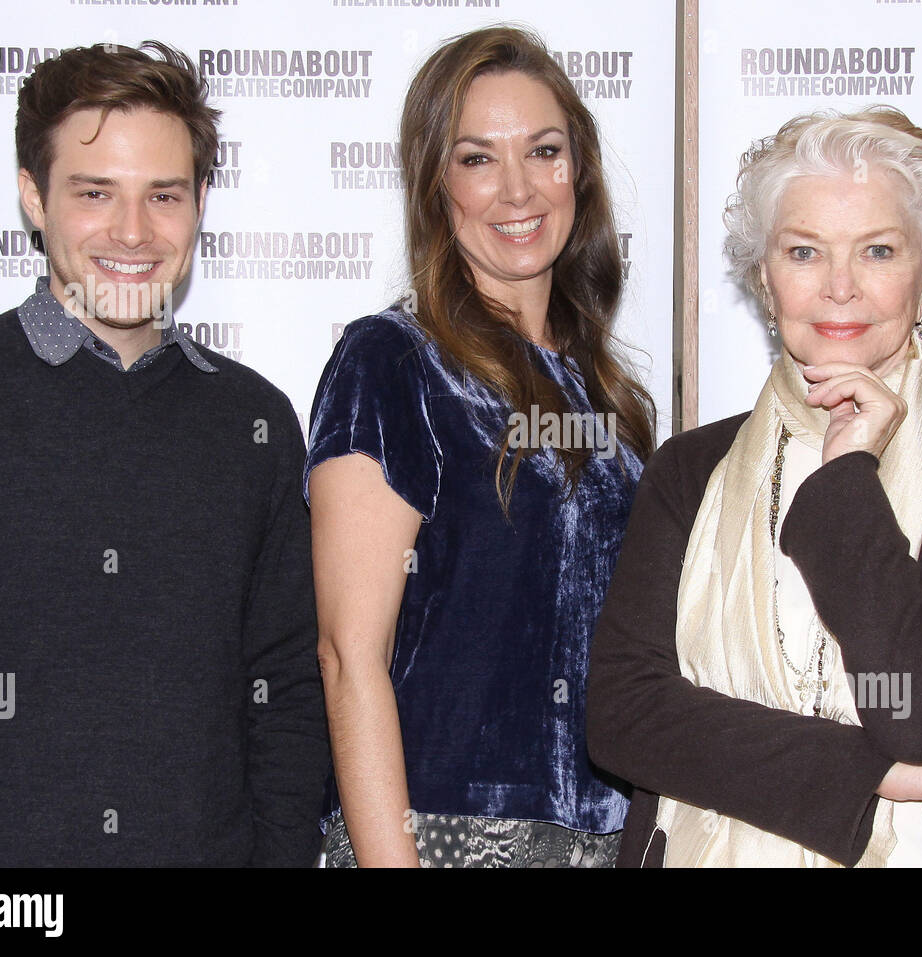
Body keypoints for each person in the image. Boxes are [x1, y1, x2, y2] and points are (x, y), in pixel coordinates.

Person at [587, 107, 922, 867]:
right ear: (765, 278)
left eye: (878, 250)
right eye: (805, 251)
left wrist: (846, 478)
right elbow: (624, 715)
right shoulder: (689, 469)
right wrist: (869, 771)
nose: (840, 288)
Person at [0, 41, 327, 866]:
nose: (133, 231)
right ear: (34, 196)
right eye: (94, 193)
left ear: (202, 200)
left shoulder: (255, 423)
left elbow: (284, 693)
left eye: (163, 195)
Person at [306, 26, 654, 868]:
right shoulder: (392, 361)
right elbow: (350, 655)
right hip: (436, 840)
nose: (517, 189)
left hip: (605, 842)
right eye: (476, 159)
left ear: (580, 168)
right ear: (435, 184)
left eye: (543, 150)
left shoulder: (609, 395)